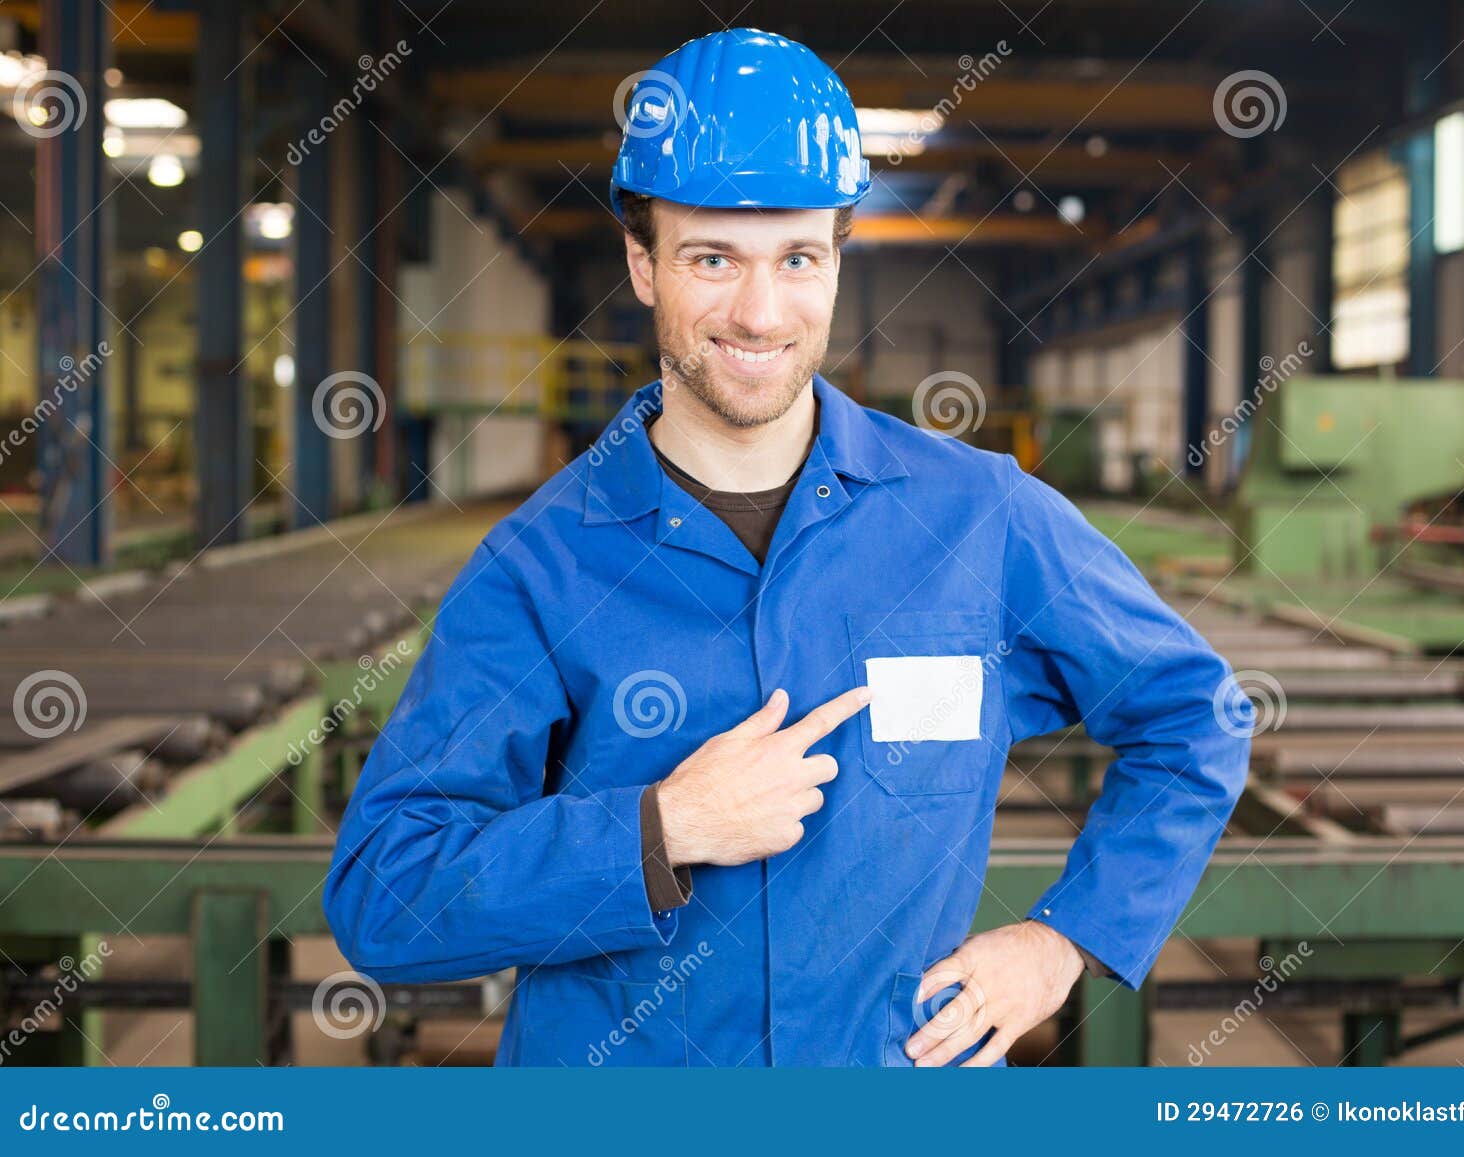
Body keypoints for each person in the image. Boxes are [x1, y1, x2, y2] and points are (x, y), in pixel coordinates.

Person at [324, 27, 1253, 1068]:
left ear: (837, 257)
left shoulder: (977, 516)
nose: (760, 313)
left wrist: (1065, 936)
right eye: (712, 258)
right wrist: (661, 828)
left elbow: (1194, 715)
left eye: (797, 258)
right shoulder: (539, 568)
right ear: (642, 262)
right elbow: (385, 891)